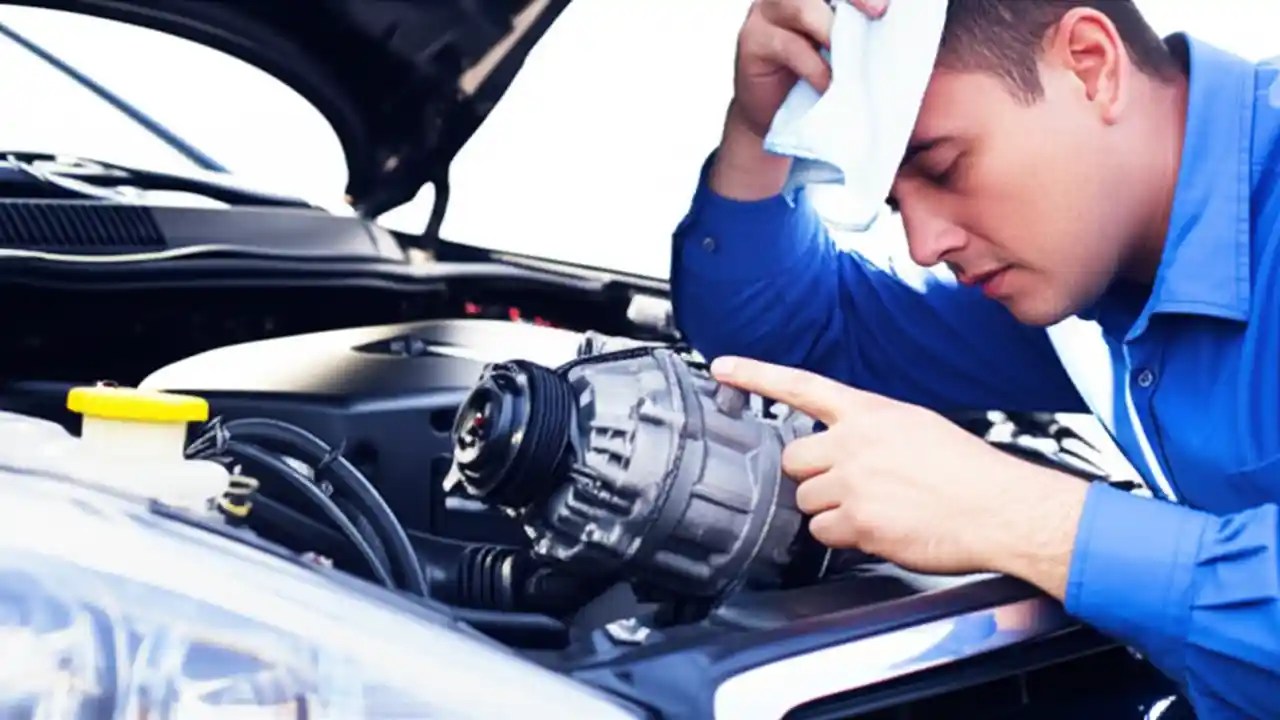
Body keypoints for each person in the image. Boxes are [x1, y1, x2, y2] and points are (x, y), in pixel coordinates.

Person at [669, 0, 1280, 717]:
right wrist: (758, 132)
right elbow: (798, 330)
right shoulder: (1082, 273)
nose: (925, 244)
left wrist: (1018, 515)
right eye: (898, 204)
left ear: (1091, 65)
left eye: (945, 167)